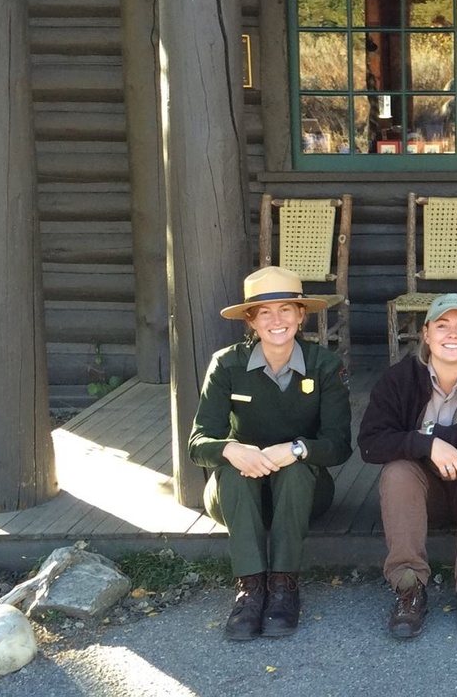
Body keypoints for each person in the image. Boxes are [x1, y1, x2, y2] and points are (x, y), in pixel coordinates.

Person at [188, 266, 353, 642]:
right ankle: (250, 589)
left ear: (301, 315)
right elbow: (198, 443)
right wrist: (231, 449)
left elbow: (339, 444)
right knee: (231, 469)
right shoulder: (227, 364)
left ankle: (283, 586)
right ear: (251, 320)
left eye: (286, 310)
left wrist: (296, 449)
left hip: (303, 492)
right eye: (265, 312)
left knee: (296, 471)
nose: (276, 320)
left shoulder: (324, 364)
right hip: (237, 494)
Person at [358, 293, 457, 638]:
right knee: (397, 472)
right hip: (424, 497)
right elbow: (371, 443)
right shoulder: (398, 379)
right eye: (443, 326)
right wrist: (426, 444)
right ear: (426, 334)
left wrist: (437, 434)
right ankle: (409, 589)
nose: (453, 334)